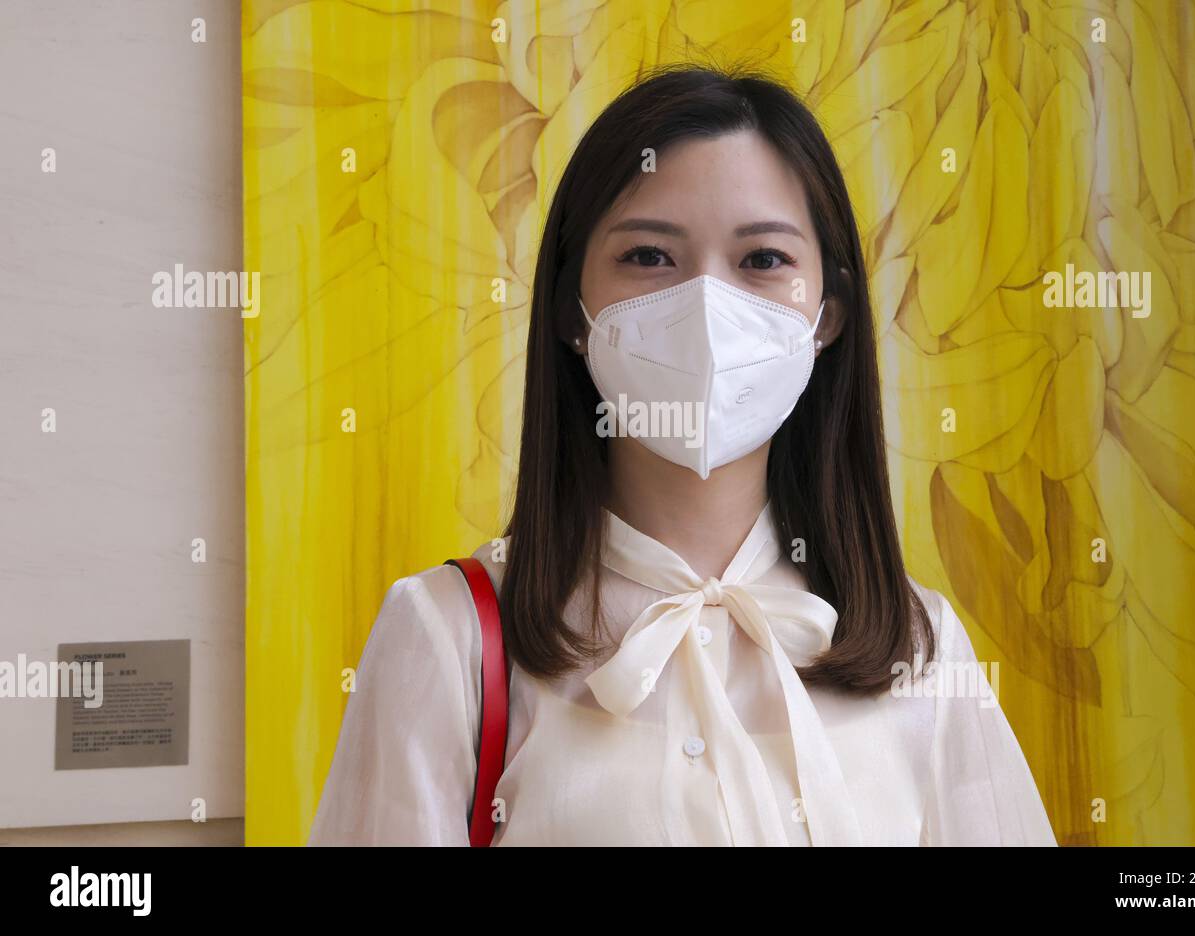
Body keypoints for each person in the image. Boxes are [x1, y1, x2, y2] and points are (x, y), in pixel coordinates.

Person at [307, 63, 1057, 847]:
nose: (706, 304)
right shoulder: (446, 636)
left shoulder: (921, 646)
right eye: (649, 257)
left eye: (763, 260)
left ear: (827, 316)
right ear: (573, 312)